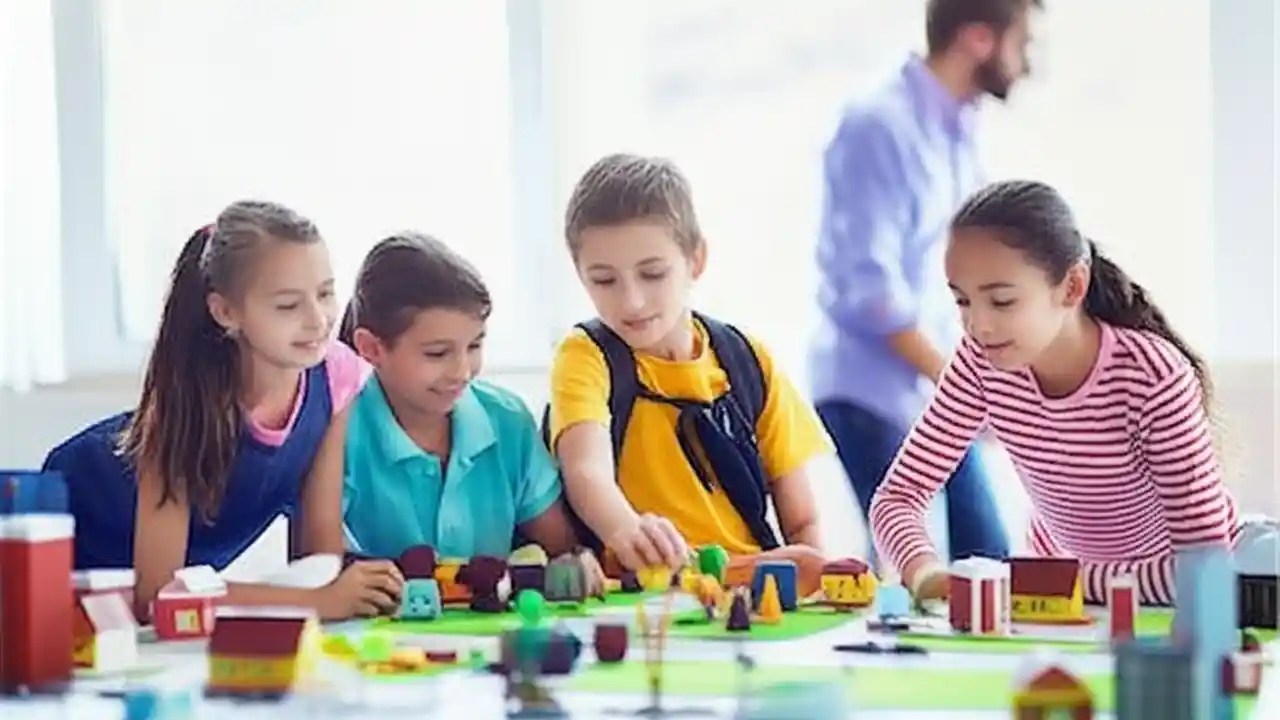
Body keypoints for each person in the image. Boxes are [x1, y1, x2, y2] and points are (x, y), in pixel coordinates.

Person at [869, 180, 1240, 605]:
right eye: (963, 302)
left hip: (1174, 600)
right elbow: (897, 498)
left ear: (1071, 287)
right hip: (1056, 600)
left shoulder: (1151, 376)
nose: (978, 326)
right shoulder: (979, 362)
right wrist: (925, 573)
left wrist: (1054, 583)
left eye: (1002, 302)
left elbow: (1206, 566)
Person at [43, 201, 404, 620]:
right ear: (226, 312)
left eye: (325, 293)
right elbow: (158, 592)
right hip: (68, 545)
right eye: (288, 305)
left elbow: (316, 557)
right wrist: (320, 602)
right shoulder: (184, 407)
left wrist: (347, 590)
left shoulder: (336, 375)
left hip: (163, 589)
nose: (318, 319)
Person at [809, 0, 1042, 562]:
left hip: (930, 389)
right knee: (915, 565)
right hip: (870, 393)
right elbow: (869, 292)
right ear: (980, 39)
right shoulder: (879, 125)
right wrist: (966, 387)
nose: (1028, 64)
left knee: (990, 559)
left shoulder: (958, 130)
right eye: (1022, 44)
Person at [548, 153, 832, 573]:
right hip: (647, 581)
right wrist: (627, 530)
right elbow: (586, 470)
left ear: (695, 260)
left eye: (653, 274)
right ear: (580, 273)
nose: (631, 301)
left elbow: (802, 519)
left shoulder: (748, 360)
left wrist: (816, 585)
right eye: (604, 280)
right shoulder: (586, 355)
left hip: (751, 581)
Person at [339, 233, 580, 560]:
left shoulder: (507, 421)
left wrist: (576, 564)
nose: (462, 371)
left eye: (474, 346)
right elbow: (322, 567)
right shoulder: (339, 432)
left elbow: (562, 550)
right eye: (437, 353)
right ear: (371, 348)